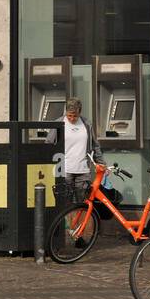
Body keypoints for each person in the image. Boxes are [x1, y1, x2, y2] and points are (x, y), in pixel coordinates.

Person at [60, 97, 104, 246]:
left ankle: (79, 236)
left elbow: (95, 145)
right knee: (64, 204)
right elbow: (49, 144)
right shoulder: (59, 123)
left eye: (75, 116)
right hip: (64, 169)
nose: (72, 118)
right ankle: (63, 235)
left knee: (82, 205)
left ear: (80, 113)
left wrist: (101, 163)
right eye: (69, 115)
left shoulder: (86, 123)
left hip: (83, 169)